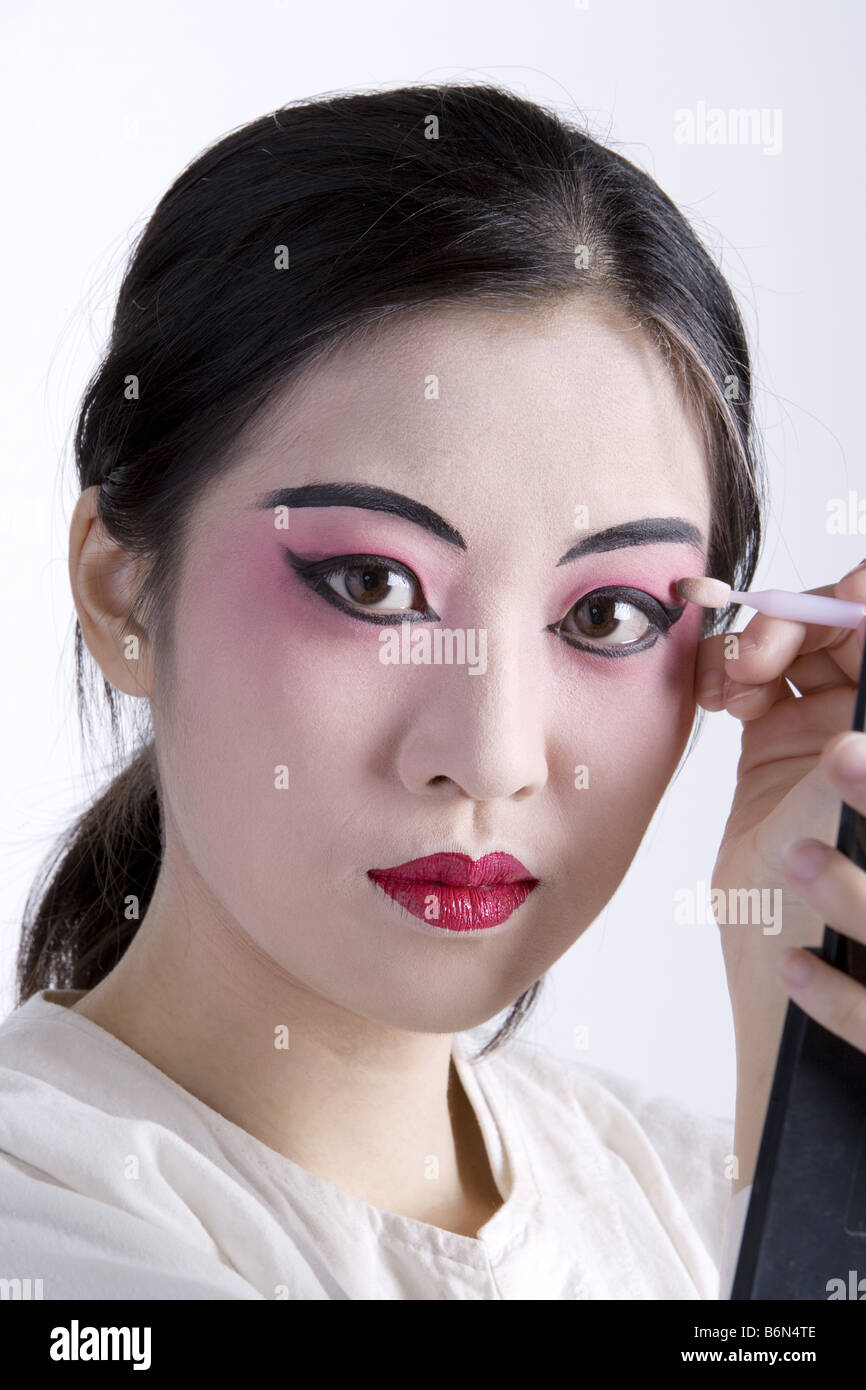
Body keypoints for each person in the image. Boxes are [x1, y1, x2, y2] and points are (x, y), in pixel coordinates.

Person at [2, 82, 865, 1301]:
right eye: (371, 584)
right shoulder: (43, 1225)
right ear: (122, 589)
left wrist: (815, 1090)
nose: (494, 752)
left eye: (606, 616)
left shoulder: (668, 1189)